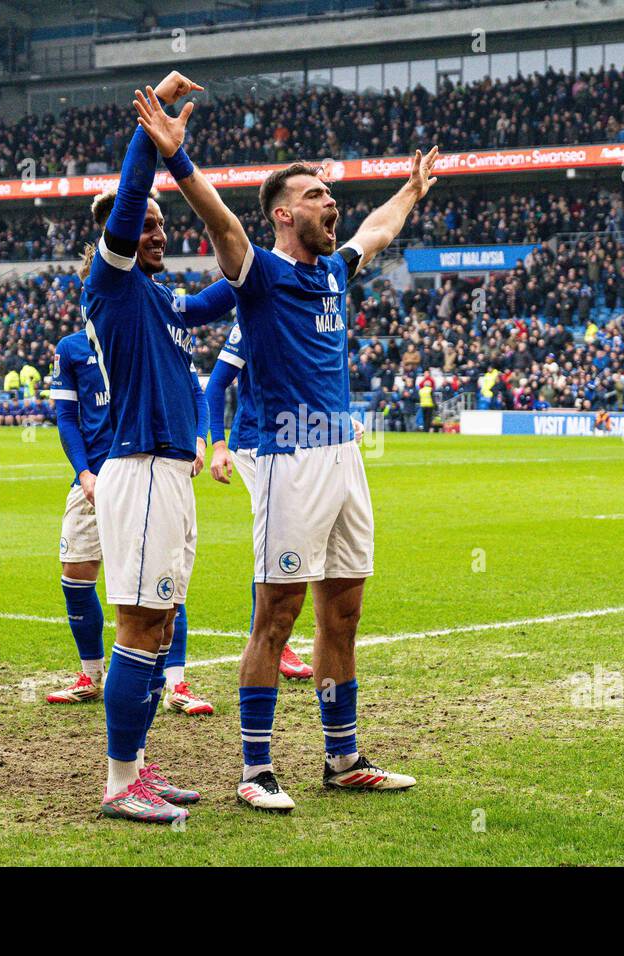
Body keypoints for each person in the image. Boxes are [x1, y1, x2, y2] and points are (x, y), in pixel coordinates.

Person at [135, 81, 432, 812]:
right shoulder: (259, 275)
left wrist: (411, 190)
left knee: (345, 612)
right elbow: (224, 225)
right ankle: (255, 771)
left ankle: (342, 757)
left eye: (334, 195)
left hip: (344, 456)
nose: (333, 203)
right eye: (319, 195)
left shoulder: (333, 271)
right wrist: (178, 161)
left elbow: (380, 231)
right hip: (287, 460)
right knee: (277, 615)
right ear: (284, 213)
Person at [84, 72, 211, 824]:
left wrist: (275, 265)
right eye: (150, 226)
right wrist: (157, 120)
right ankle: (116, 784)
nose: (158, 233)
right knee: (138, 625)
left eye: (167, 226)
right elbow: (130, 202)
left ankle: (135, 764)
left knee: (161, 625)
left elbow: (227, 293)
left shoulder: (161, 299)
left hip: (171, 472)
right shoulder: (113, 281)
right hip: (140, 470)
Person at [204, 321, 315, 681]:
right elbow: (217, 383)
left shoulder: (304, 314)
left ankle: (274, 637)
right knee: (278, 537)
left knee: (296, 536)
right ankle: (271, 640)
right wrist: (218, 444)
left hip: (293, 440)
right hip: (256, 444)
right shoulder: (250, 324)